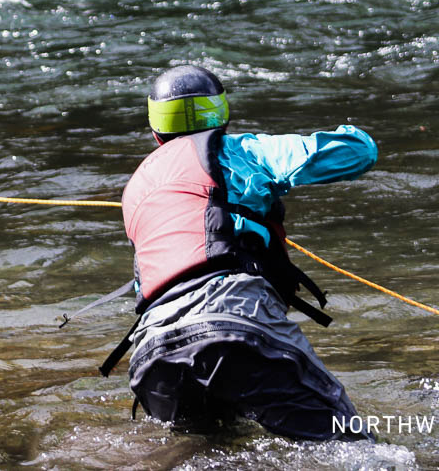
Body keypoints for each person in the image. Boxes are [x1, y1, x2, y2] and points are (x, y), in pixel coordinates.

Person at [102, 65, 377, 442]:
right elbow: (358, 153)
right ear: (221, 115)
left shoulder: (136, 188)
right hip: (234, 321)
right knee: (348, 445)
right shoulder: (243, 151)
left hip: (153, 351)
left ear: (155, 130)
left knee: (201, 455)